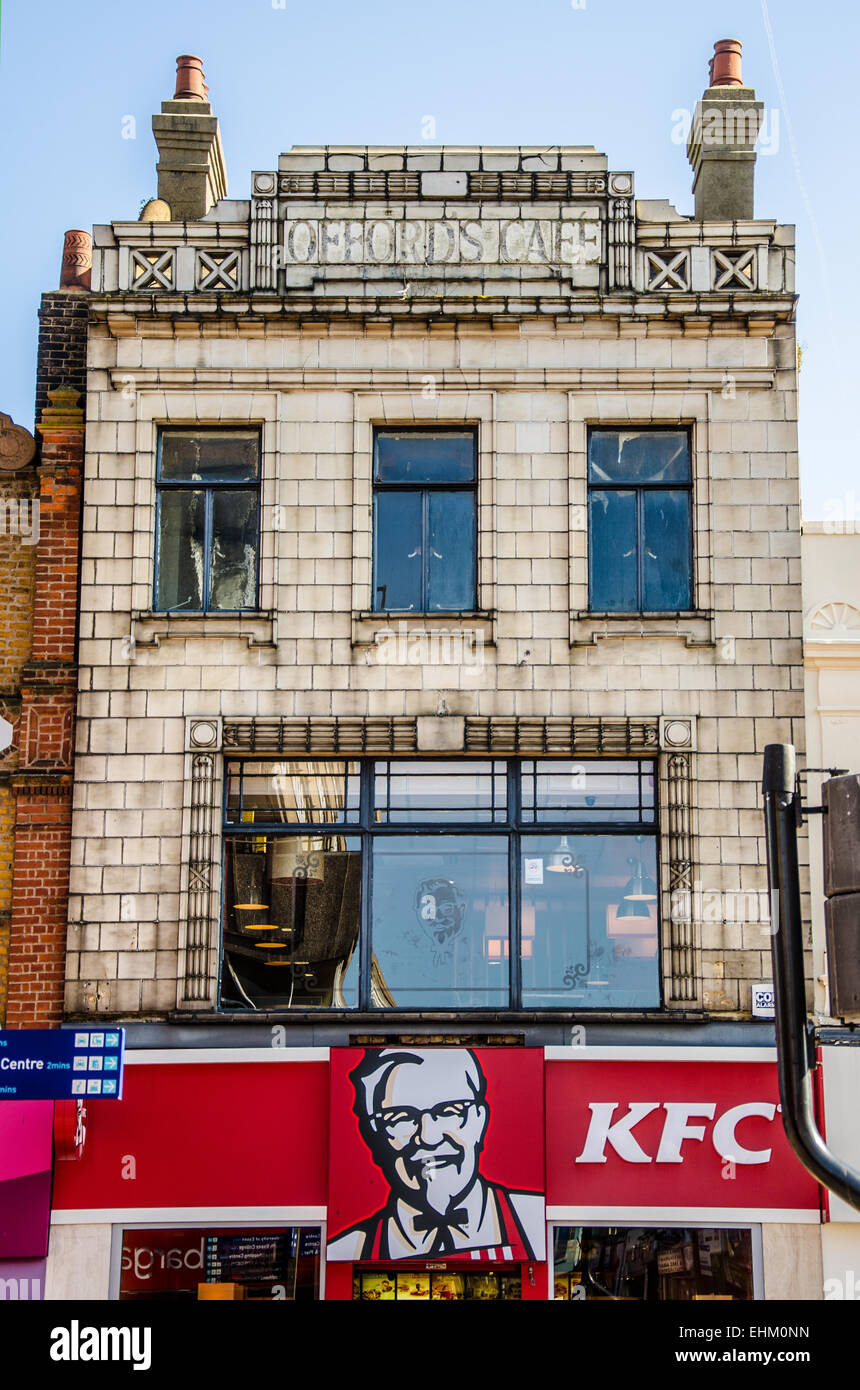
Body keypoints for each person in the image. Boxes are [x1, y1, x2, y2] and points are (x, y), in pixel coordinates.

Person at [327, 1047, 544, 1261]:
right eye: (401, 1117)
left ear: (480, 1120)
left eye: (449, 1111)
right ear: (374, 1135)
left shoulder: (534, 1220)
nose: (429, 1138)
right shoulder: (350, 1248)